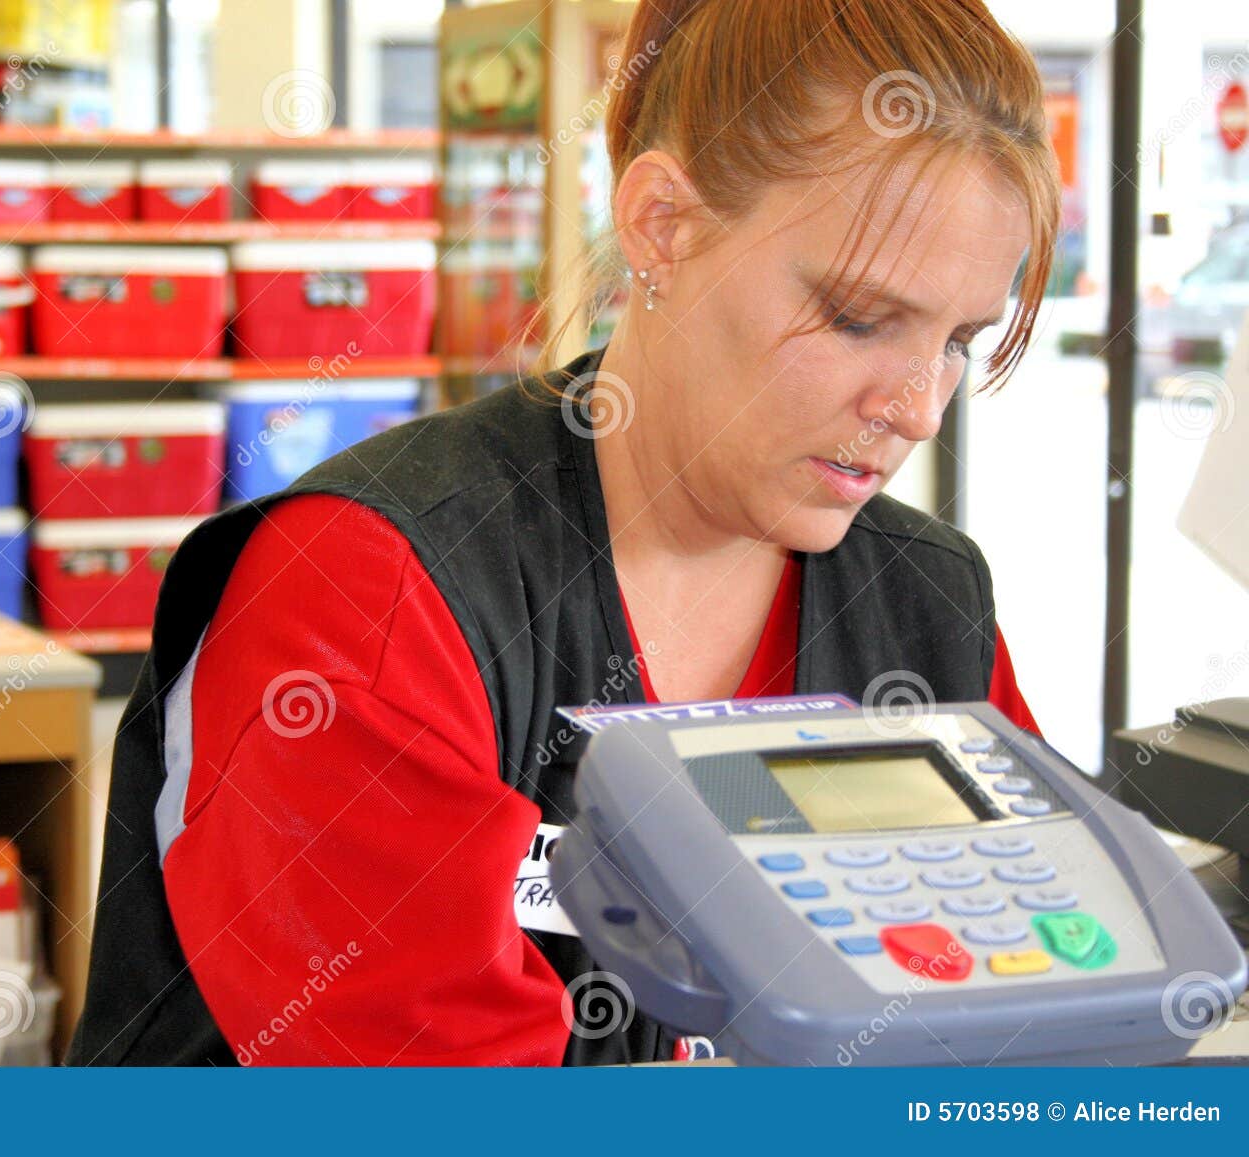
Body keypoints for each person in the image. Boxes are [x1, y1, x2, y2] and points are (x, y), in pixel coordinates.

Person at [67, 0, 1061, 1067]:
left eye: (959, 340)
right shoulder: (369, 592)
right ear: (662, 225)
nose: (918, 408)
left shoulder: (927, 605)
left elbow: (1038, 1007)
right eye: (859, 317)